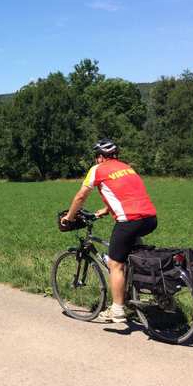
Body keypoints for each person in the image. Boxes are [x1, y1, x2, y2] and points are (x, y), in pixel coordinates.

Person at [61, 138, 157, 323]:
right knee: (131, 257)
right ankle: (136, 294)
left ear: (100, 157)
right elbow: (128, 193)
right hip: (150, 219)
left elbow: (81, 196)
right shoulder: (127, 167)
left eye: (97, 157)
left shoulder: (97, 170)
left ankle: (118, 309)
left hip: (130, 221)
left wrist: (70, 217)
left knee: (115, 264)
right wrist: (106, 210)